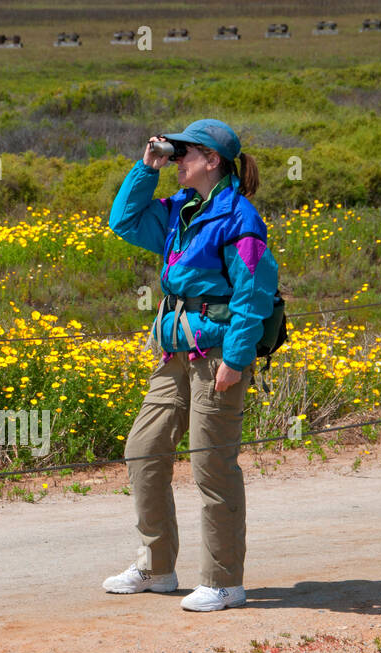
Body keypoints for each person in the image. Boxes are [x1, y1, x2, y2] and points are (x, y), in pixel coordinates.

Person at [102, 119, 279, 611]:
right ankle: (157, 568)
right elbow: (123, 221)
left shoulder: (239, 219)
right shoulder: (181, 209)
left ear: (213, 161)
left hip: (217, 356)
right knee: (143, 450)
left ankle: (224, 582)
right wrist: (145, 167)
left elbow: (254, 295)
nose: (177, 159)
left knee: (211, 467)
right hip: (174, 354)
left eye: (186, 152)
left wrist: (237, 360)